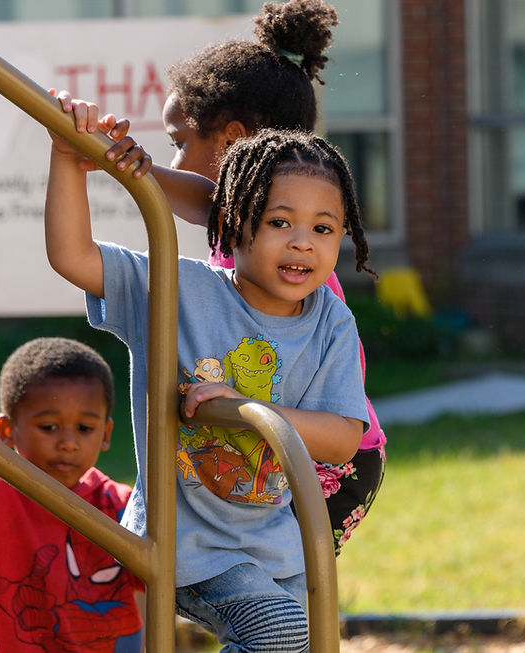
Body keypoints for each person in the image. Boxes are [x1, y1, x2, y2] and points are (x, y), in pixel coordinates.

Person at [46, 91, 372, 651]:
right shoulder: (180, 288)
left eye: (324, 229)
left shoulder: (331, 321)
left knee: (306, 644)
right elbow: (72, 256)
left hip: (277, 542)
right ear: (234, 221)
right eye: (279, 222)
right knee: (284, 638)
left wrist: (251, 411)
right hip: (190, 543)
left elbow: (342, 439)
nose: (302, 242)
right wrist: (65, 158)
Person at [109, 0, 387, 555]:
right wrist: (127, 165)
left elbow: (199, 197)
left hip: (334, 454)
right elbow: (198, 198)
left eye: (180, 141)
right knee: (259, 585)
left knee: (285, 583)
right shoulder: (245, 221)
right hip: (278, 434)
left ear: (235, 141)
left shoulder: (277, 241)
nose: (176, 158)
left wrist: (132, 166)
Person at [0, 337, 143, 653]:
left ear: (106, 434)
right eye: (49, 427)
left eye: (85, 429)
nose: (68, 443)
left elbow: (172, 577)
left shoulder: (119, 505)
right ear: (7, 430)